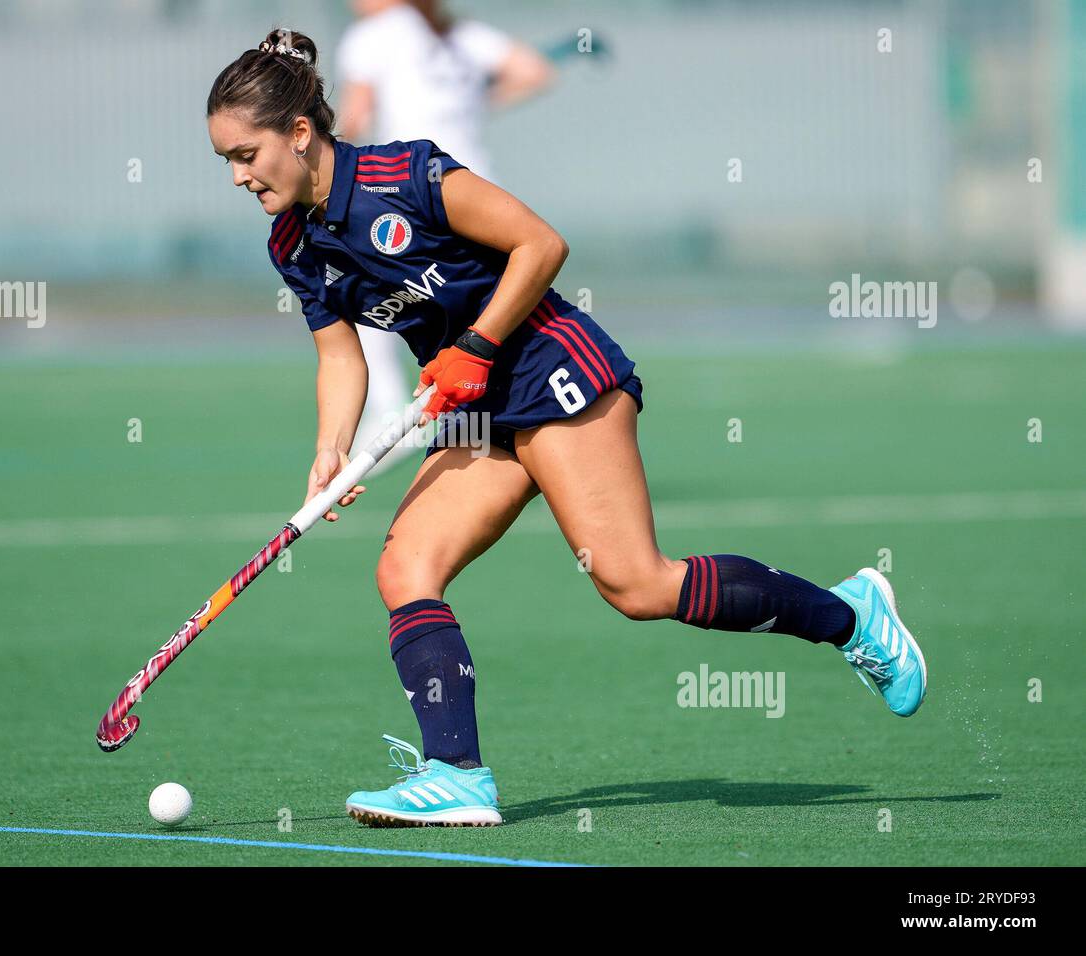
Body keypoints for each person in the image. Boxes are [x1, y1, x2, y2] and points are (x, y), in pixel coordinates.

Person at [206, 30, 927, 828]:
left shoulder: (405, 174)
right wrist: (331, 450)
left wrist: (477, 345)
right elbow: (341, 356)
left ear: (300, 133)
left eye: (247, 153)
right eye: (226, 162)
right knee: (406, 565)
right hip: (475, 407)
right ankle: (457, 774)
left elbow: (541, 243)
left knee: (638, 585)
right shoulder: (293, 243)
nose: (239, 176)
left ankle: (852, 617)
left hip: (552, 372)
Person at [335, 0, 555, 473]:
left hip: (406, 193)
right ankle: (504, 430)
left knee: (371, 289)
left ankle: (392, 407)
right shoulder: (461, 35)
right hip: (478, 191)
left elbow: (352, 121)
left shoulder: (371, 37)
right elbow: (535, 72)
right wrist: (478, 101)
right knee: (478, 302)